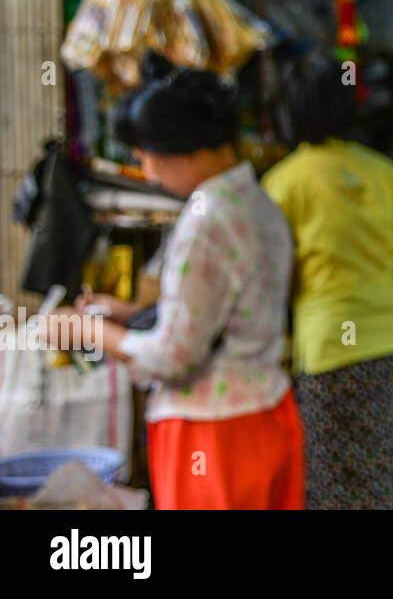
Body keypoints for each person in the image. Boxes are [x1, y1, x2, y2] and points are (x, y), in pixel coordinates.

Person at [53, 54, 303, 509]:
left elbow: (174, 358)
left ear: (179, 146)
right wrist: (132, 315)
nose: (146, 170)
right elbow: (226, 315)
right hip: (270, 416)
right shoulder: (258, 202)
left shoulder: (205, 219)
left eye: (145, 154)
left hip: (213, 431)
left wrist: (89, 330)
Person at [262, 54, 393, 510]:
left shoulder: (283, 182)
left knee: (330, 479)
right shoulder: (386, 171)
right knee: (388, 475)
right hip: (389, 340)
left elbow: (275, 280)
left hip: (326, 347)